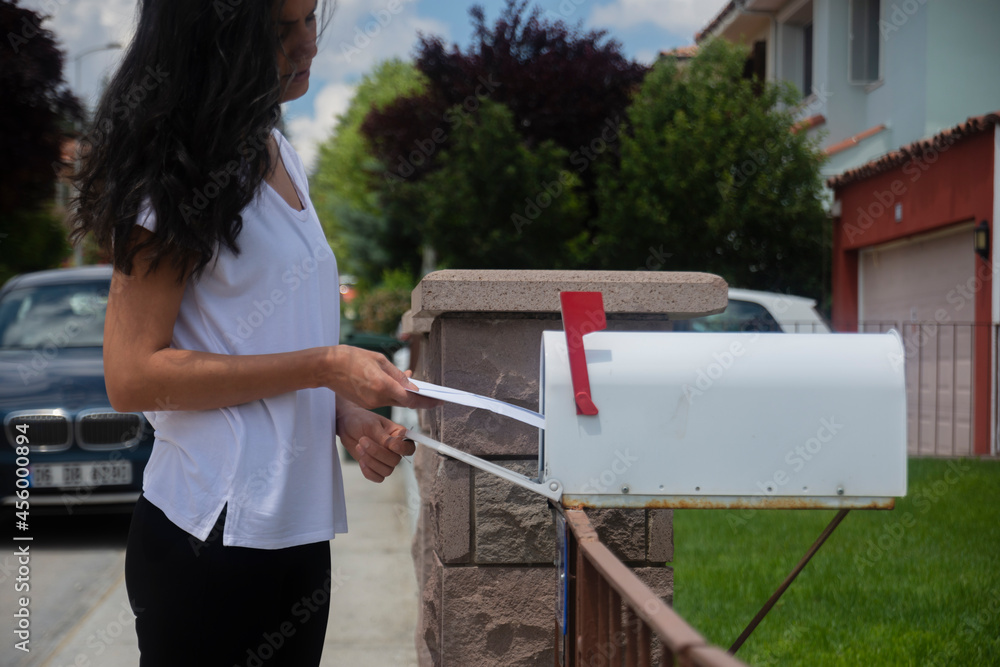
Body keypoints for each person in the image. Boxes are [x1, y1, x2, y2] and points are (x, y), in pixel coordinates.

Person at [71, 1, 437, 664]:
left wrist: (346, 412)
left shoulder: (279, 154)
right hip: (209, 538)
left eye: (308, 22)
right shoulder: (172, 172)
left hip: (295, 539)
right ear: (216, 39)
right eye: (279, 31)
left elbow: (264, 337)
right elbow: (132, 376)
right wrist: (324, 367)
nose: (308, 47)